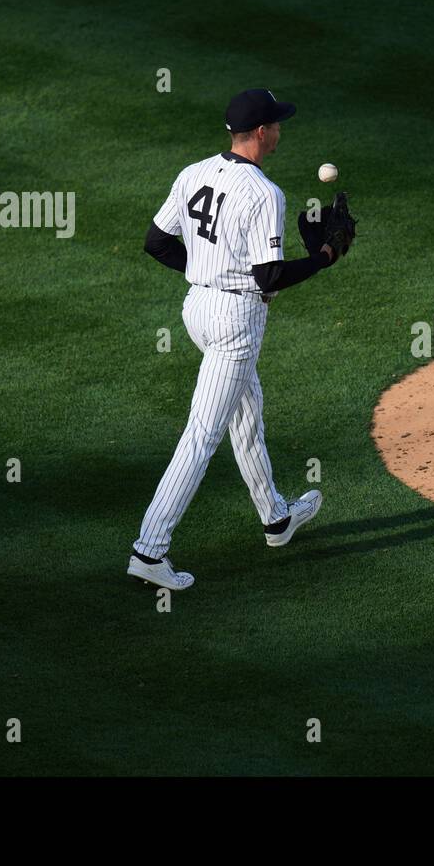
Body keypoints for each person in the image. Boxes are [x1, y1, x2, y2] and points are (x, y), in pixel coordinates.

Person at [128, 89, 338, 590]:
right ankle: (149, 549)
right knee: (202, 434)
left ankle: (276, 518)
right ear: (262, 133)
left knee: (246, 414)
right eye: (278, 125)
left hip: (197, 309)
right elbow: (268, 277)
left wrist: (204, 270)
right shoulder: (265, 193)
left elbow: (156, 242)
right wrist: (324, 259)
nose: (281, 131)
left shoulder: (193, 172)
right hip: (234, 324)